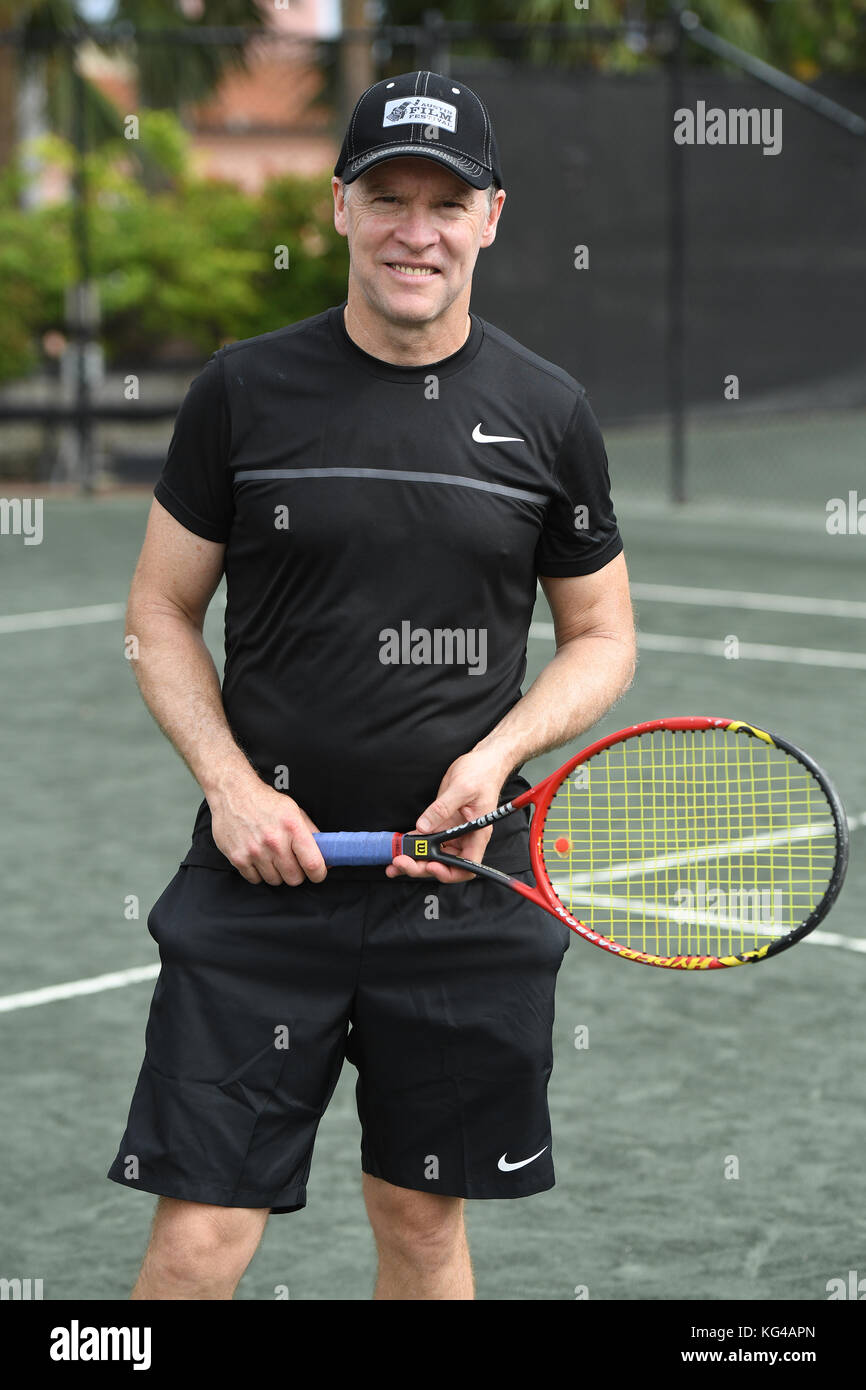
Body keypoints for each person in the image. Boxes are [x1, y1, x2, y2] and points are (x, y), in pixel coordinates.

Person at [108, 69, 635, 1301]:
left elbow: (601, 634)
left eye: (445, 203)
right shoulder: (241, 392)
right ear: (338, 206)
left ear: (489, 219)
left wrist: (491, 764)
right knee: (197, 1242)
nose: (416, 230)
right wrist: (234, 790)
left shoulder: (547, 413)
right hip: (258, 881)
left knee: (418, 1222)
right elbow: (159, 611)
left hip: (459, 886)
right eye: (387, 196)